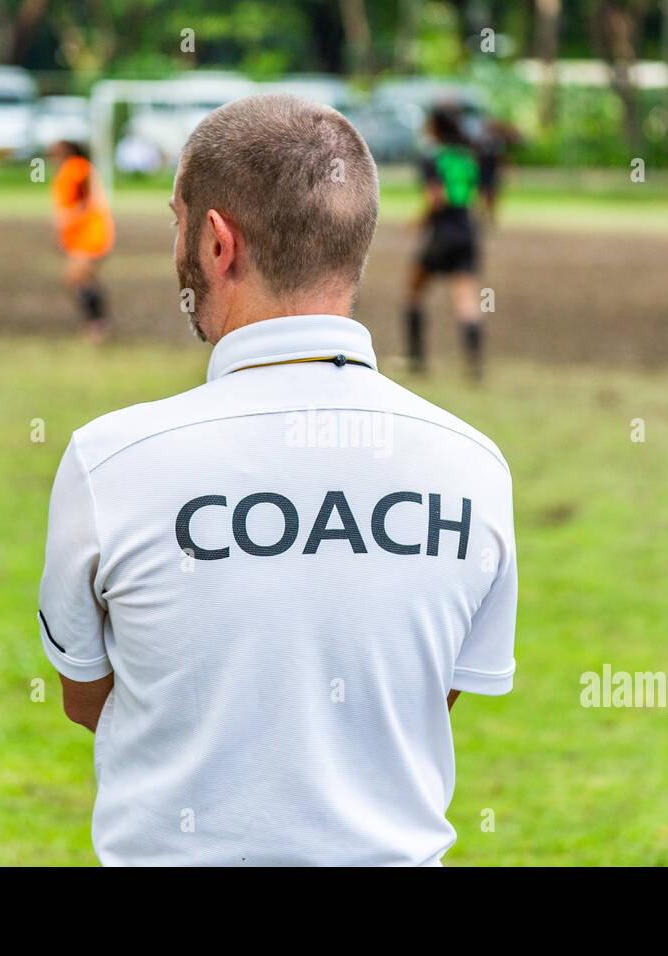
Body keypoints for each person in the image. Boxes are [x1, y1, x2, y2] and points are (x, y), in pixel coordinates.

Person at [38, 94, 517, 867]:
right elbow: (422, 697)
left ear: (217, 242)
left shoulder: (110, 458)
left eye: (176, 221)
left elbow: (90, 696)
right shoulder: (474, 467)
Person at [403, 104, 488, 380]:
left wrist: (420, 221)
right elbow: (475, 196)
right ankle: (474, 365)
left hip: (443, 234)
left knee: (413, 291)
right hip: (467, 231)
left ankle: (416, 359)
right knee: (466, 300)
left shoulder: (433, 157)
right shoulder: (468, 157)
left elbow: (436, 198)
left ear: (436, 127)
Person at [48, 140, 115, 343]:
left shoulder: (77, 168)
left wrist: (69, 217)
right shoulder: (70, 170)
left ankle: (96, 325)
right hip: (82, 237)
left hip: (90, 236)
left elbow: (86, 200)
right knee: (83, 280)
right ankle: (97, 325)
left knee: (74, 278)